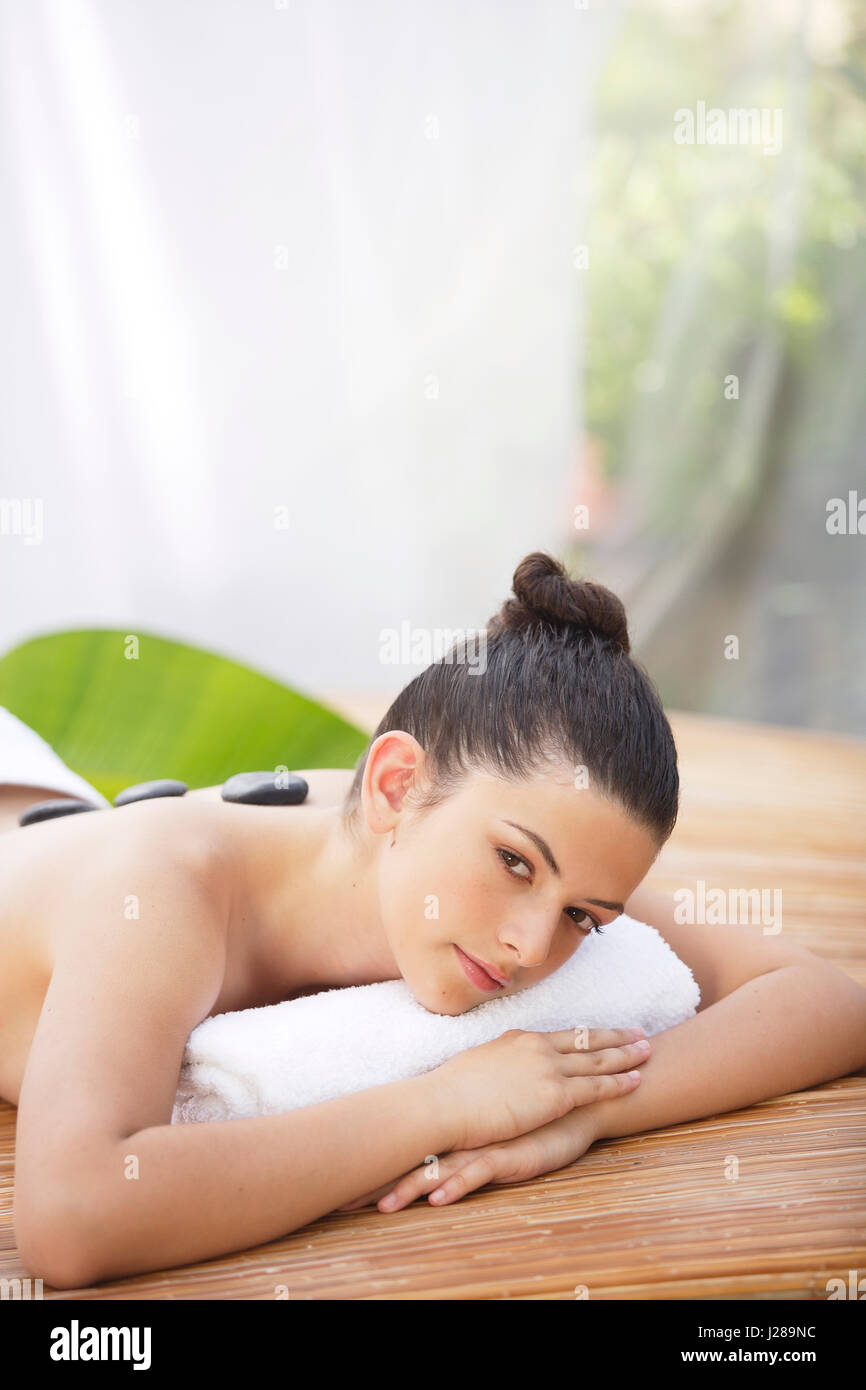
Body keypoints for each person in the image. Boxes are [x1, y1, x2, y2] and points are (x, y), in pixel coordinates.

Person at [2, 552, 863, 1289]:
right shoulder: (159, 893)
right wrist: (443, 1105)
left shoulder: (487, 838)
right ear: (394, 786)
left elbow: (825, 1000)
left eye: (584, 917)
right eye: (515, 863)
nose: (531, 947)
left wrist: (582, 1115)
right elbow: (73, 1213)